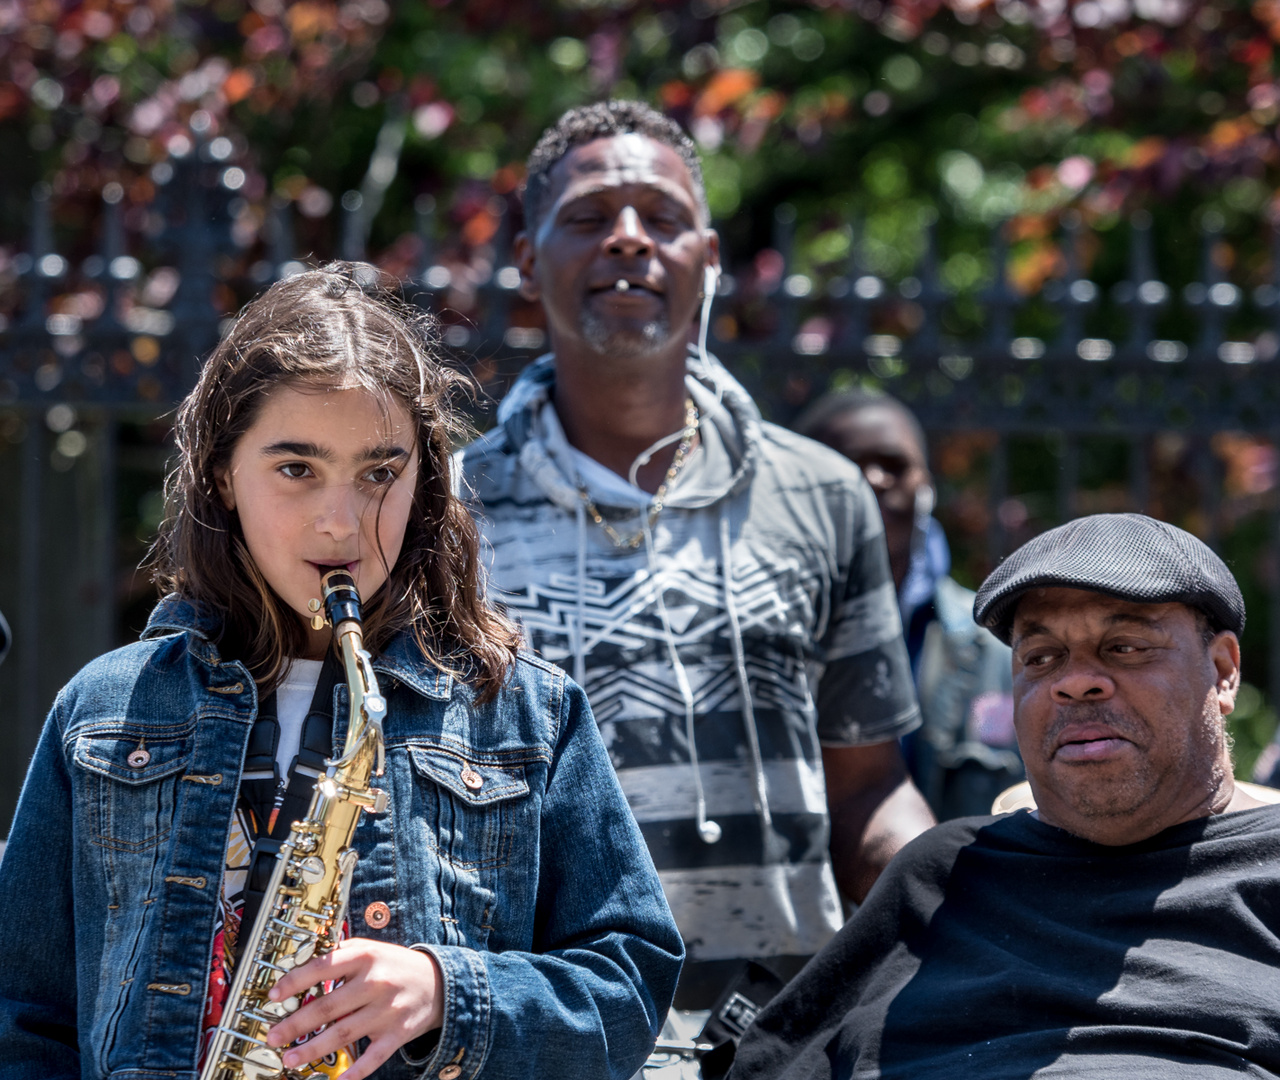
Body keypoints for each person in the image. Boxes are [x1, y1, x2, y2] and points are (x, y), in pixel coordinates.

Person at [0, 263, 683, 1080]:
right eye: (296, 469)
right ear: (222, 473)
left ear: (425, 481)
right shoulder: (102, 709)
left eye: (379, 473)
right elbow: (21, 1020)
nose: (340, 522)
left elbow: (630, 990)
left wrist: (446, 992)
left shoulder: (525, 712)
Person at [458, 99, 933, 1028]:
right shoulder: (439, 510)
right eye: (591, 218)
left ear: (709, 259)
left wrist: (966, 895)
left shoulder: (825, 494)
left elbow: (869, 788)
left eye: (663, 219)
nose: (629, 240)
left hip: (778, 1037)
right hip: (540, 1036)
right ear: (526, 258)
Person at [729, 512, 1280, 1080]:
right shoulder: (944, 877)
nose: (1074, 681)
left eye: (1125, 646)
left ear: (1222, 671)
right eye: (1041, 658)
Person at [796, 390, 1021, 820]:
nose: (875, 480)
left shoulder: (995, 643)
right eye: (847, 466)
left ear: (927, 487)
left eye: (895, 465)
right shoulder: (753, 637)